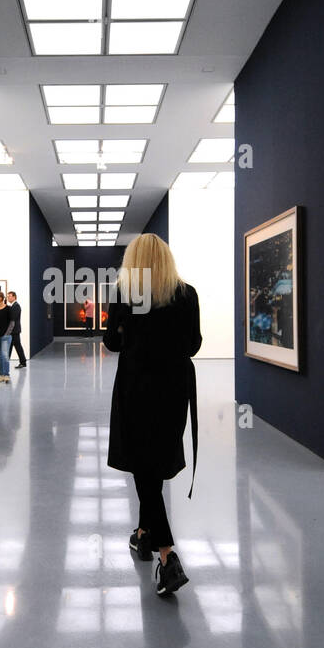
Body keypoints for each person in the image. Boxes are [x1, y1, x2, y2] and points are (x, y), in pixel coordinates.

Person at [103, 234, 201, 596]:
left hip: (136, 388)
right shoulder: (186, 294)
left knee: (144, 466)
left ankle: (167, 555)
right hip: (173, 390)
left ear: (133, 261)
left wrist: (130, 330)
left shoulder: (128, 293)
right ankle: (143, 535)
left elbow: (111, 342)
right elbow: (194, 344)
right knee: (154, 461)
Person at [6, 291, 26, 369]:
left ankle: (23, 362)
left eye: (10, 296)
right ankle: (5, 362)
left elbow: (12, 318)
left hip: (14, 330)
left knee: (17, 346)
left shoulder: (16, 306)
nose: (8, 298)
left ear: (14, 297)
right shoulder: (12, 306)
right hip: (13, 330)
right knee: (9, 347)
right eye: (8, 296)